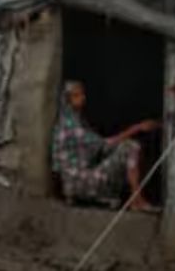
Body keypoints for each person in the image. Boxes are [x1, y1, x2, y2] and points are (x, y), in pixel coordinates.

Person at [51, 81, 160, 210]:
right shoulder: (70, 125)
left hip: (76, 184)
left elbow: (100, 149)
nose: (83, 98)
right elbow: (106, 144)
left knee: (123, 150)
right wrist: (138, 128)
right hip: (83, 184)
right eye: (76, 95)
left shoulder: (71, 120)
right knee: (130, 147)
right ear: (67, 99)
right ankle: (137, 200)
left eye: (82, 94)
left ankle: (133, 198)